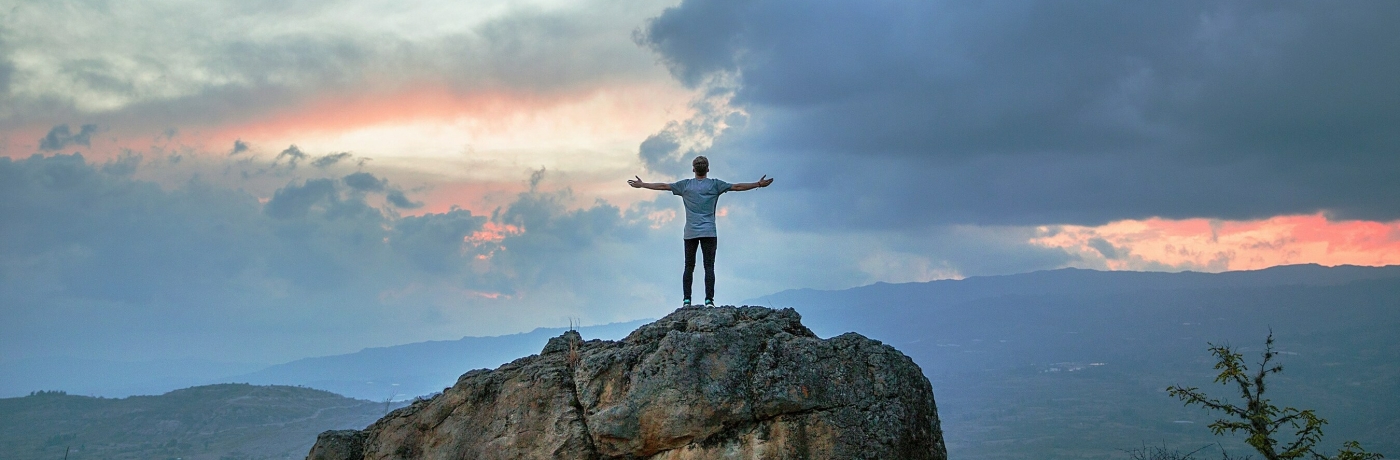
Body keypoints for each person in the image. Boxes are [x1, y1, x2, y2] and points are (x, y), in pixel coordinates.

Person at [628, 156, 774, 308]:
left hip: (690, 232)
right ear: (708, 169)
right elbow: (737, 187)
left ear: (693, 169)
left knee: (688, 266)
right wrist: (758, 184)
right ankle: (709, 300)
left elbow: (663, 186)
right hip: (709, 232)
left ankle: (686, 301)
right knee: (709, 266)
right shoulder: (715, 185)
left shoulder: (685, 185)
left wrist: (643, 184)